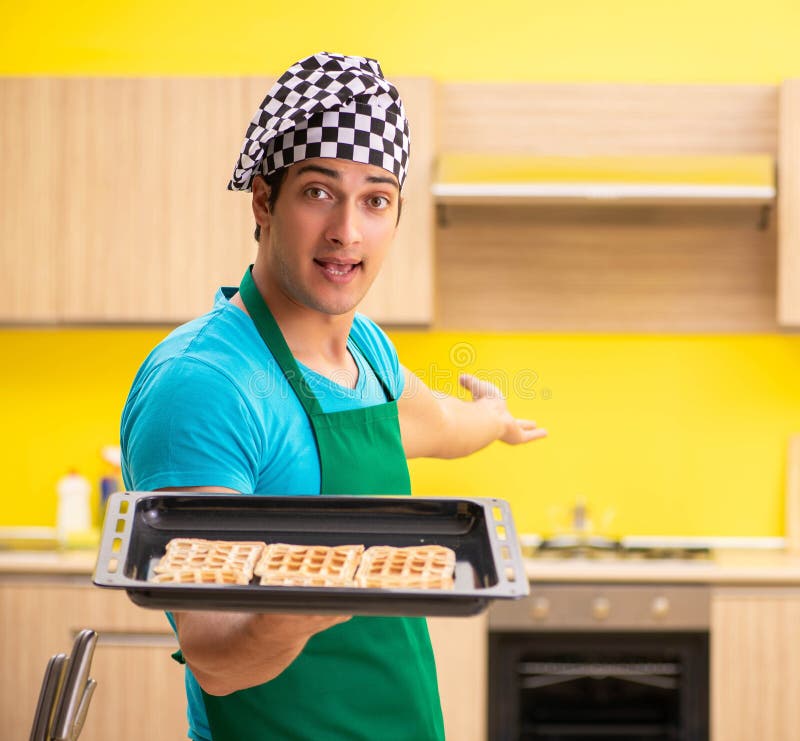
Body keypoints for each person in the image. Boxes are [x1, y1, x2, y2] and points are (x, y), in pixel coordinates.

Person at [120, 51, 547, 741]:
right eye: (319, 192)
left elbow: (438, 424)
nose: (347, 230)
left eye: (375, 199)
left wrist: (493, 417)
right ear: (264, 200)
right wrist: (310, 601)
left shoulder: (366, 351)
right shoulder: (204, 384)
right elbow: (215, 655)